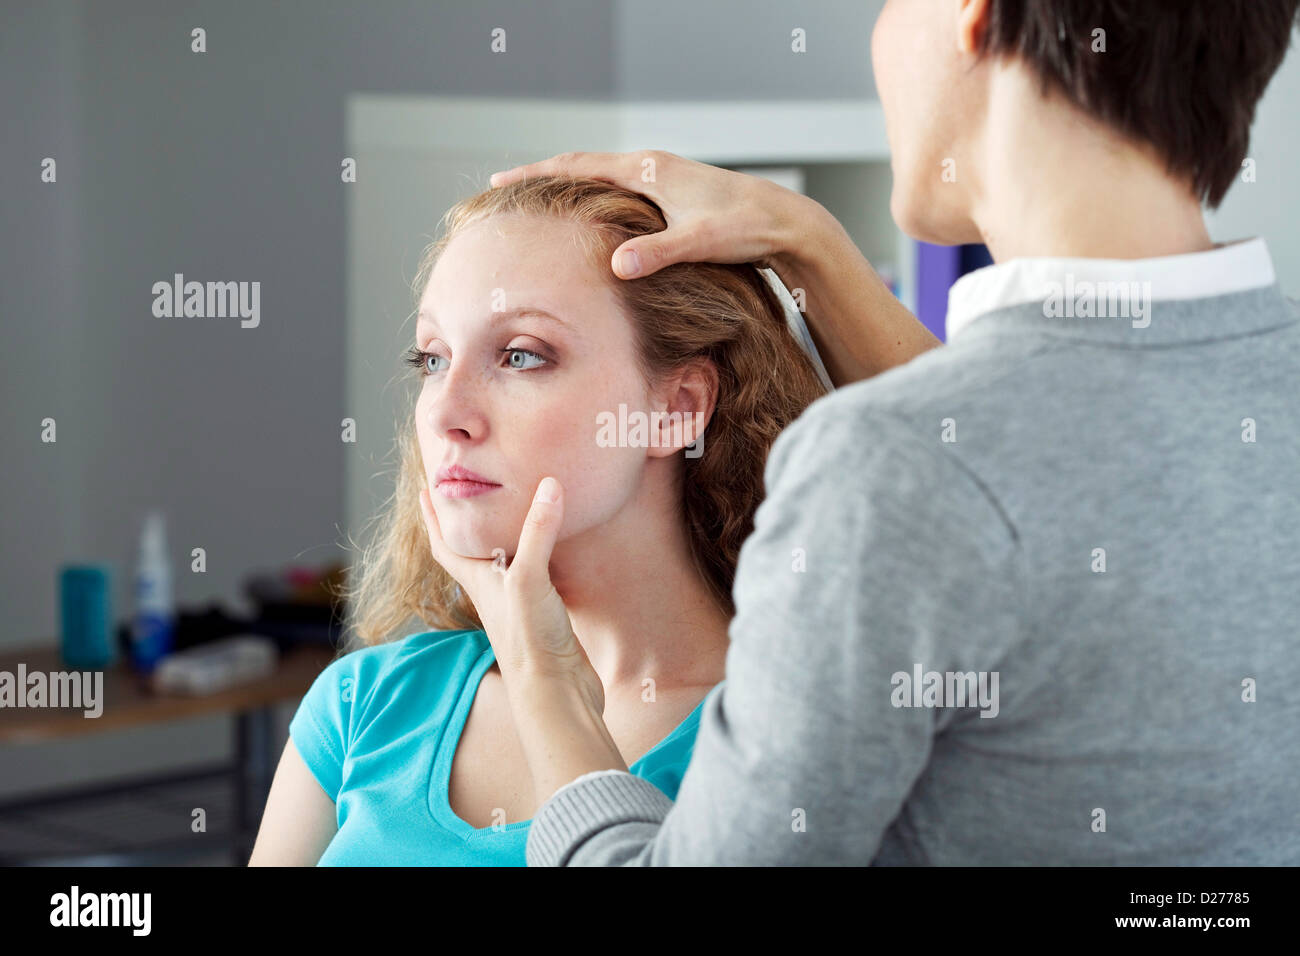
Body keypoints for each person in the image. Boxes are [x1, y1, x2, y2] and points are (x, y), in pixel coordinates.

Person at [432, 0, 1300, 865]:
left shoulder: (894, 468)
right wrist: (810, 244)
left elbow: (974, 472)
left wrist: (547, 683)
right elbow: (1047, 464)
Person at [247, 175, 869, 864]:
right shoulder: (364, 703)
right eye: (432, 359)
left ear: (678, 408)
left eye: (520, 355)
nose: (444, 413)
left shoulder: (793, 735)